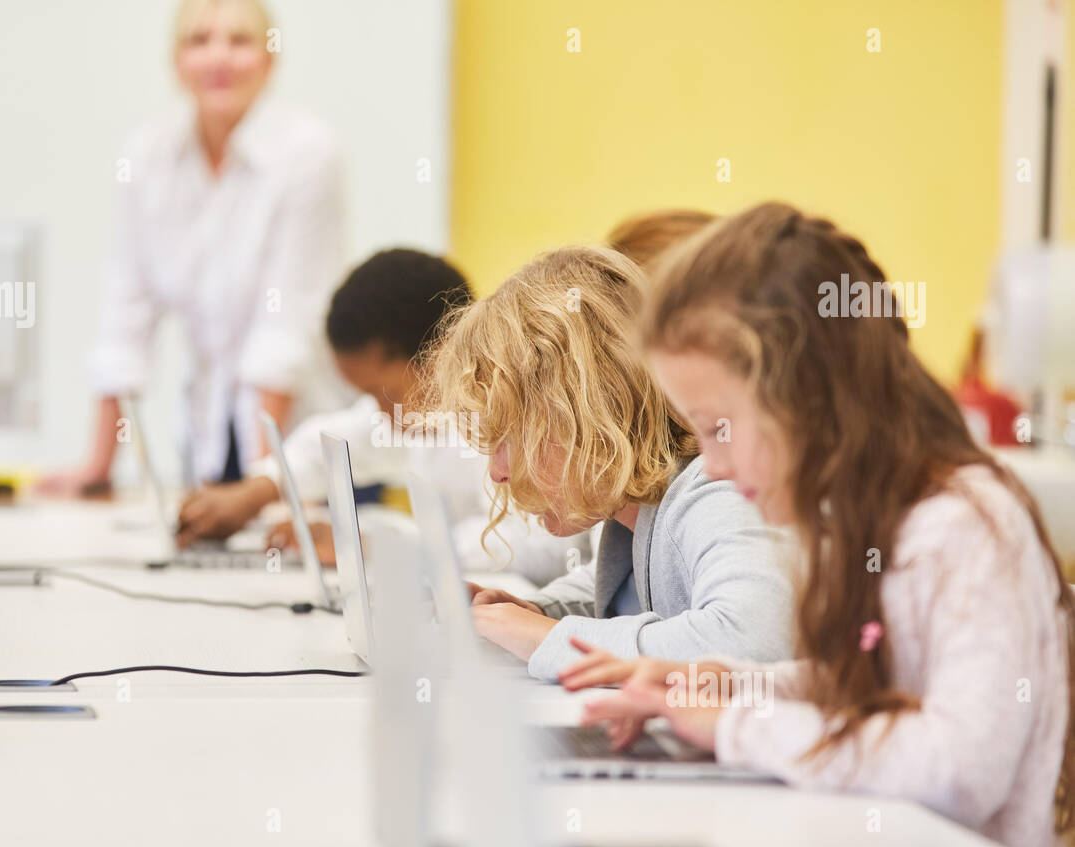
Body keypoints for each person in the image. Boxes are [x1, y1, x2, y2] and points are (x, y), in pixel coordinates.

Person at [568, 201, 1074, 847]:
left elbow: (959, 768)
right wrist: (724, 682)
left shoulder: (963, 528)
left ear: (811, 398)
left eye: (720, 428)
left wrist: (739, 726)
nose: (711, 468)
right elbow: (867, 692)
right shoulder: (866, 520)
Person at [423, 235, 794, 679]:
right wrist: (535, 612)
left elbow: (756, 640)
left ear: (587, 414)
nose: (499, 473)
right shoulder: (643, 512)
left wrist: (544, 637)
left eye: (511, 438)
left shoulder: (717, 490)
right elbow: (629, 594)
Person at [40, 0, 350, 496]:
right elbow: (126, 313)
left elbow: (284, 328)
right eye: (199, 40)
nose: (219, 58)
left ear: (270, 59)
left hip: (303, 444)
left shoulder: (309, 153)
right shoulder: (147, 158)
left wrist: (260, 492)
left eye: (241, 41)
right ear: (176, 61)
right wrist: (97, 466)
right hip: (209, 432)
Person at [177, 248, 584, 585]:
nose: (381, 415)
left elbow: (541, 548)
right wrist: (258, 491)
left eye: (382, 394)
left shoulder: (515, 419)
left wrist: (376, 546)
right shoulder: (418, 416)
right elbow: (335, 441)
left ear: (442, 354)